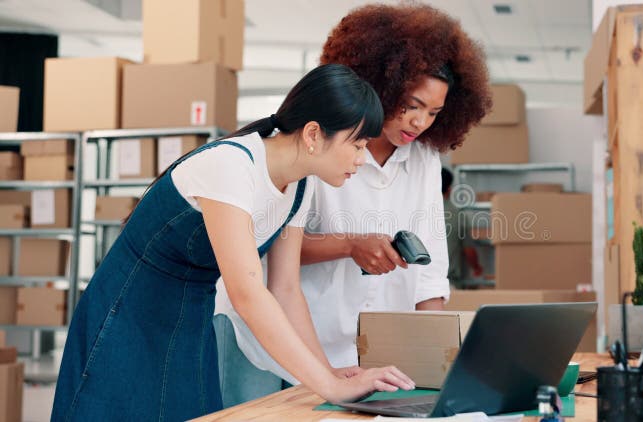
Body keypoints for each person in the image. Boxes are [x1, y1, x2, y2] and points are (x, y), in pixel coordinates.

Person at [50, 64, 415, 422]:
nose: (362, 157)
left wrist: (328, 373)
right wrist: (328, 388)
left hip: (191, 318)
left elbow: (285, 290)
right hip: (128, 314)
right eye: (357, 143)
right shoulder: (232, 166)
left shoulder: (302, 185)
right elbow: (247, 293)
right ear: (314, 134)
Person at [213, 3, 492, 406]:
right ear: (381, 84)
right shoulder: (317, 142)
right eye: (411, 105)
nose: (419, 122)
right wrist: (348, 245)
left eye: (434, 112)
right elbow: (267, 251)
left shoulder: (425, 160)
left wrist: (439, 362)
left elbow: (430, 275)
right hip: (276, 331)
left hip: (357, 352)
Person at [441, 167, 483, 287]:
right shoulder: (457, 215)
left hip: (417, 285)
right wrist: (477, 268)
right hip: (447, 284)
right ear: (449, 189)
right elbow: (469, 250)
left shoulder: (417, 211)